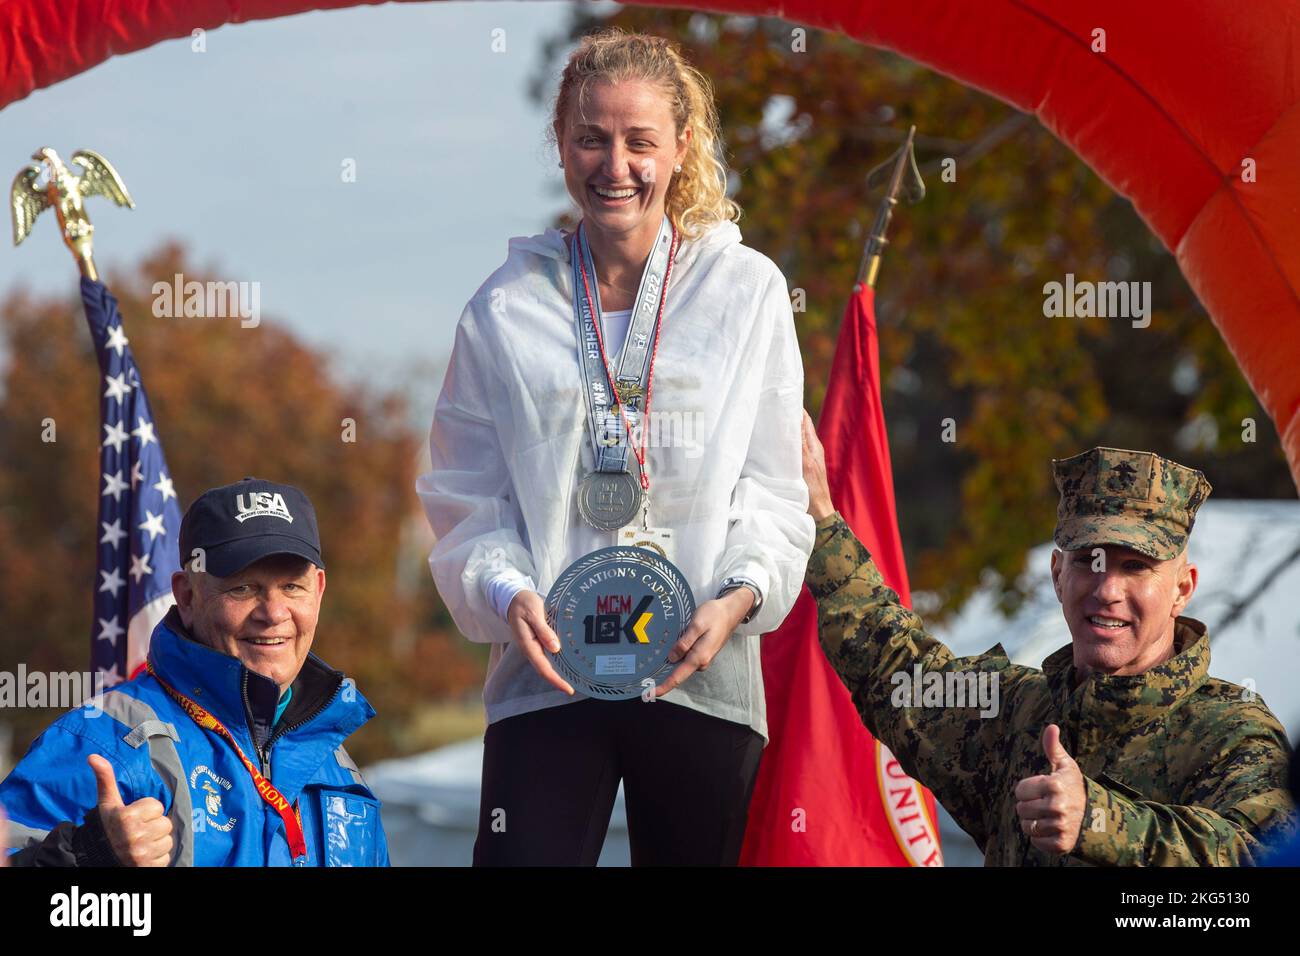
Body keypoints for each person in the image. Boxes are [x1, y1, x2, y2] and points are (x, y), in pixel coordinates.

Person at [417, 27, 813, 866]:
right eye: (591, 138)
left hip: (699, 668)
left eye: (640, 142)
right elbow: (464, 495)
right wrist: (506, 589)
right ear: (561, 144)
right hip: (548, 675)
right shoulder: (504, 308)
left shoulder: (745, 292)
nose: (615, 165)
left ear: (681, 148)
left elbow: (773, 489)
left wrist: (738, 596)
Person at [800, 415, 1296, 865]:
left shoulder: (1231, 731)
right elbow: (892, 669)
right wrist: (820, 518)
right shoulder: (1013, 710)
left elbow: (1259, 857)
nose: (1107, 591)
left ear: (1182, 589)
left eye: (1135, 567)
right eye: (1088, 561)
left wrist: (1099, 822)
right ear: (1058, 574)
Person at [0, 478, 389, 867]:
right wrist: (89, 855)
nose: (273, 613)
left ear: (318, 590)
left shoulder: (337, 766)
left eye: (292, 586)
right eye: (243, 588)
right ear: (187, 596)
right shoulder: (106, 741)